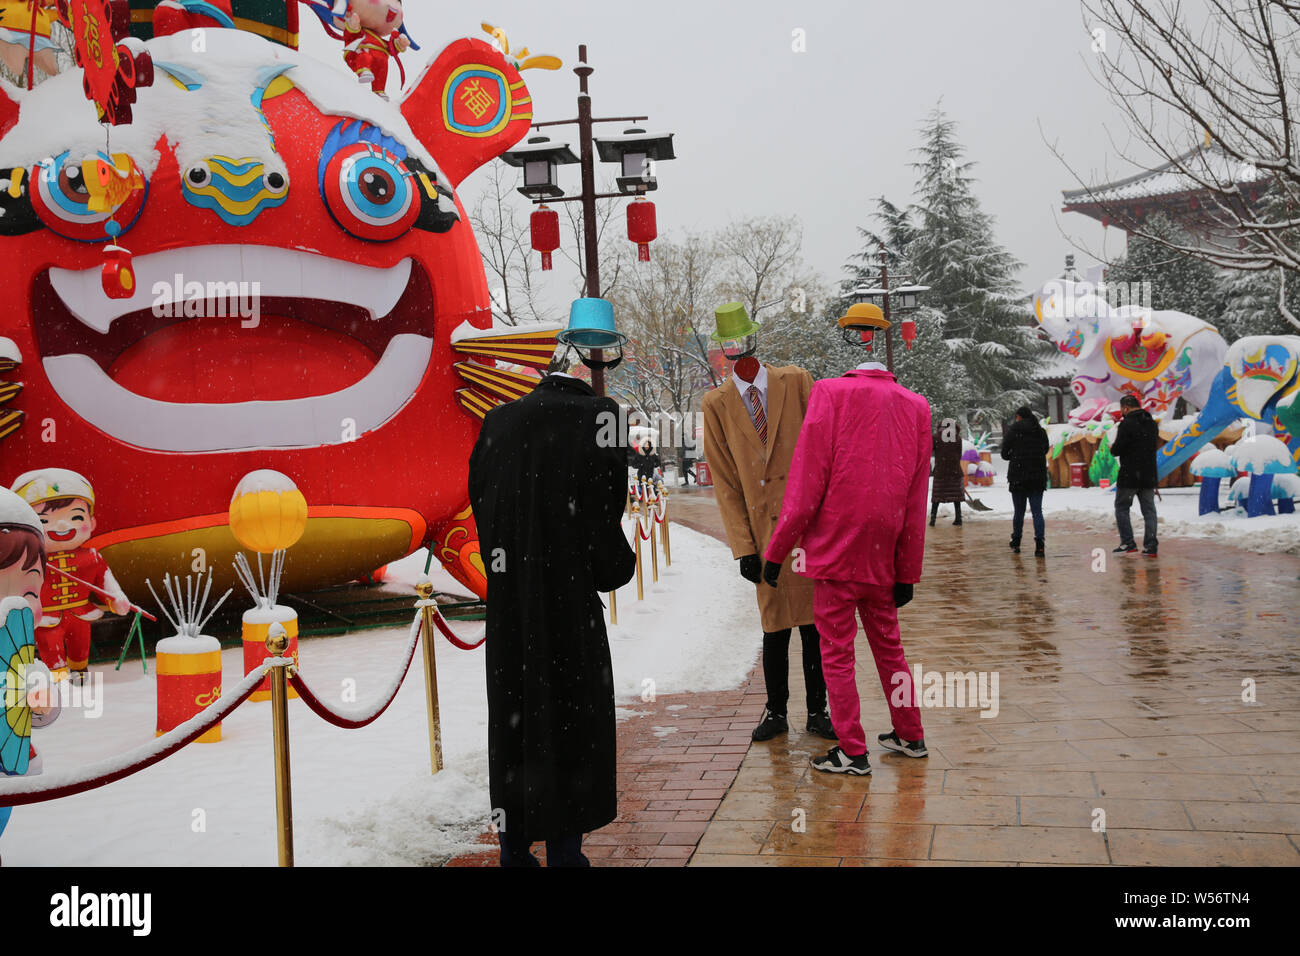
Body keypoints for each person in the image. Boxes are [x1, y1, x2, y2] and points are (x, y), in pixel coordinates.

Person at [467, 299, 635, 867]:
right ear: (596, 360)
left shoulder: (497, 421)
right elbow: (605, 528)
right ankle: (567, 849)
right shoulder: (605, 418)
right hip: (569, 610)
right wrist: (612, 565)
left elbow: (484, 511)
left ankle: (514, 847)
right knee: (573, 723)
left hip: (510, 610)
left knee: (515, 725)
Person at [763, 360, 932, 775]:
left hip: (838, 550)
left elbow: (807, 483)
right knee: (890, 649)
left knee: (836, 653)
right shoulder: (916, 406)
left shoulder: (829, 393)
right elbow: (915, 497)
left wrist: (777, 549)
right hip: (884, 553)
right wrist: (908, 570)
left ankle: (852, 750)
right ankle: (911, 734)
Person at [702, 303, 833, 744]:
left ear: (756, 339)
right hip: (762, 533)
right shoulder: (715, 404)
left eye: (742, 341)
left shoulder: (795, 382)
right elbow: (725, 481)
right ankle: (776, 710)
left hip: (807, 527)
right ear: (722, 350)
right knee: (774, 626)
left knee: (815, 625)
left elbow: (825, 446)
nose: (737, 352)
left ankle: (819, 711)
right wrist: (742, 547)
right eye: (729, 345)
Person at [10, 469, 130, 681]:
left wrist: (116, 598)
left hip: (81, 613)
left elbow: (105, 581)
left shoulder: (91, 557)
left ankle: (79, 673)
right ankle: (58, 679)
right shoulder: (30, 561)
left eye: (75, 517)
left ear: (91, 523)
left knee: (80, 648)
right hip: (47, 617)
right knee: (51, 649)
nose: (63, 525)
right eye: (44, 521)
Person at [1110, 394, 1160, 557]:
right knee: (1149, 511)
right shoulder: (1151, 424)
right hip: (1148, 475)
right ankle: (1151, 545)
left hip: (1129, 475)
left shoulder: (1126, 424)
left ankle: (1128, 543)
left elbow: (1117, 449)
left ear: (1126, 408)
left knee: (1122, 508)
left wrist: (1113, 447)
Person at [1000, 406, 1050, 556]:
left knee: (1019, 512)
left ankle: (1016, 541)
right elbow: (1045, 449)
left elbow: (1004, 453)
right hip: (1037, 476)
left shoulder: (1013, 431)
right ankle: (1040, 544)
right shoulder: (1040, 431)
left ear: (1019, 417)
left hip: (1018, 477)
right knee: (1037, 512)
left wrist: (1015, 456)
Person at [930, 423, 965, 526]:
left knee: (936, 498)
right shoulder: (957, 438)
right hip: (955, 471)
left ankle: (933, 520)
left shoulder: (936, 437)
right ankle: (958, 518)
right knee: (956, 497)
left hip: (940, 472)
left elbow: (930, 450)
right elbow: (959, 455)